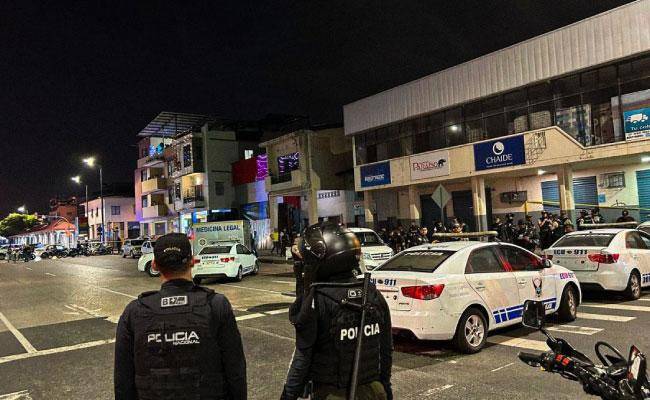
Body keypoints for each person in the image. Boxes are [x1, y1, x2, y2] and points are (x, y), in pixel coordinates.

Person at [114, 233, 246, 400]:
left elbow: (123, 380)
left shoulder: (134, 312)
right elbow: (235, 372)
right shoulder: (216, 305)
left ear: (154, 265)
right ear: (192, 261)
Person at [281, 222, 393, 400]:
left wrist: (288, 396)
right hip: (374, 390)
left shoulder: (318, 300)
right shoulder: (372, 294)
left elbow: (302, 358)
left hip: (332, 393)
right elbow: (386, 350)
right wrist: (386, 389)